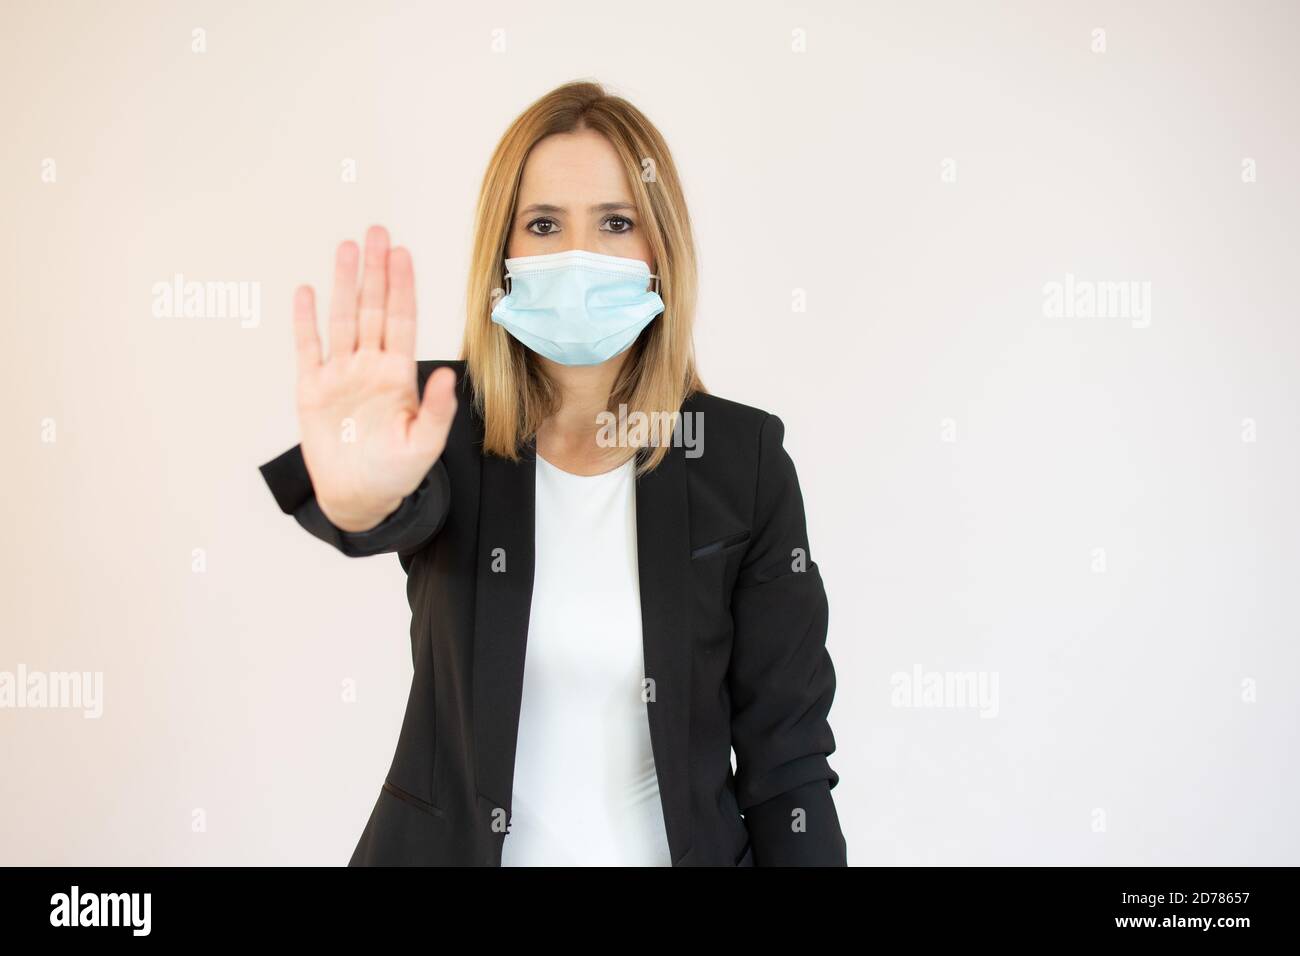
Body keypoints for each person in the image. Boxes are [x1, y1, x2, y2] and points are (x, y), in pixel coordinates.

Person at [258, 80, 846, 866]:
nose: (579, 255)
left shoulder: (742, 459)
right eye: (543, 225)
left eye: (615, 222)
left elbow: (788, 765)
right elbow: (381, 502)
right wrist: (359, 499)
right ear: (503, 254)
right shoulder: (439, 419)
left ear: (659, 249)